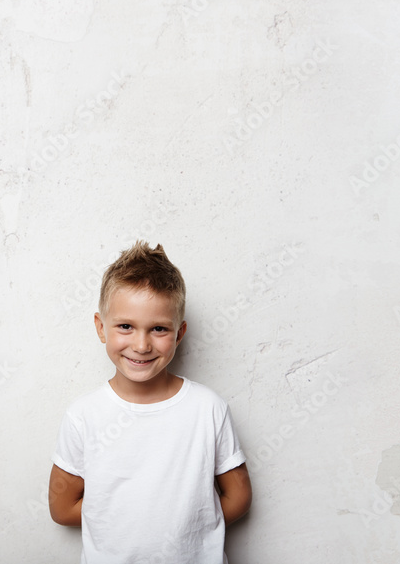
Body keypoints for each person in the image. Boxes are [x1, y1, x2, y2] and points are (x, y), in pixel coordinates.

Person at [48, 240, 252, 563]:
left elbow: (238, 496)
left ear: (179, 333)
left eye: (158, 328)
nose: (141, 345)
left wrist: (187, 529)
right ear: (101, 328)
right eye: (125, 326)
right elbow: (61, 507)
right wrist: (124, 528)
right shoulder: (83, 417)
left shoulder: (208, 409)